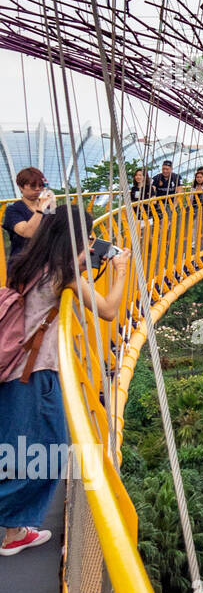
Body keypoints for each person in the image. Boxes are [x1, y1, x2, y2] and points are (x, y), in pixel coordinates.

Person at [1, 208, 131, 555]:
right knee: (52, 453)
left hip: (11, 368)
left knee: (16, 451)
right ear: (76, 240)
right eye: (88, 238)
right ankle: (10, 521)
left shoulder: (28, 264)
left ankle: (14, 532)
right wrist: (120, 273)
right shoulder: (64, 275)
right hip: (35, 373)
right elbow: (107, 310)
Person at [4, 167, 54, 261]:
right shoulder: (13, 210)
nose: (37, 190)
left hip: (47, 261)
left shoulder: (48, 207)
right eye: (33, 186)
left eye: (41, 186)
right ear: (20, 187)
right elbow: (27, 232)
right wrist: (40, 209)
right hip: (23, 263)